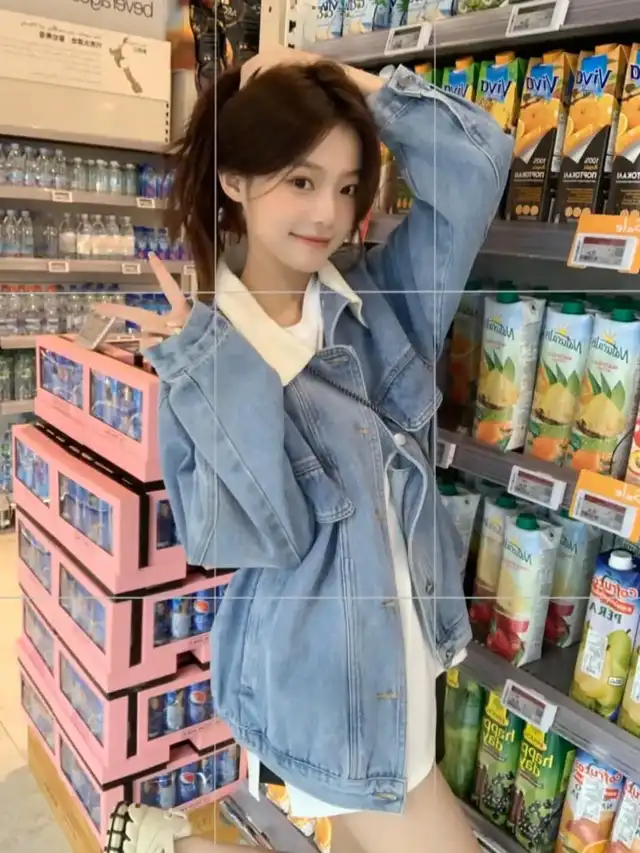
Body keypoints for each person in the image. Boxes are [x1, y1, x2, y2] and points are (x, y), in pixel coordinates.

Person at [100, 46, 513, 853]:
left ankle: (168, 844)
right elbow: (254, 535)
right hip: (326, 691)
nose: (328, 212)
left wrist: (335, 77)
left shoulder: (380, 306)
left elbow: (477, 162)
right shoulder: (206, 361)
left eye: (348, 185)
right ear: (234, 180)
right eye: (299, 179)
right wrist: (219, 373)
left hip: (406, 655)